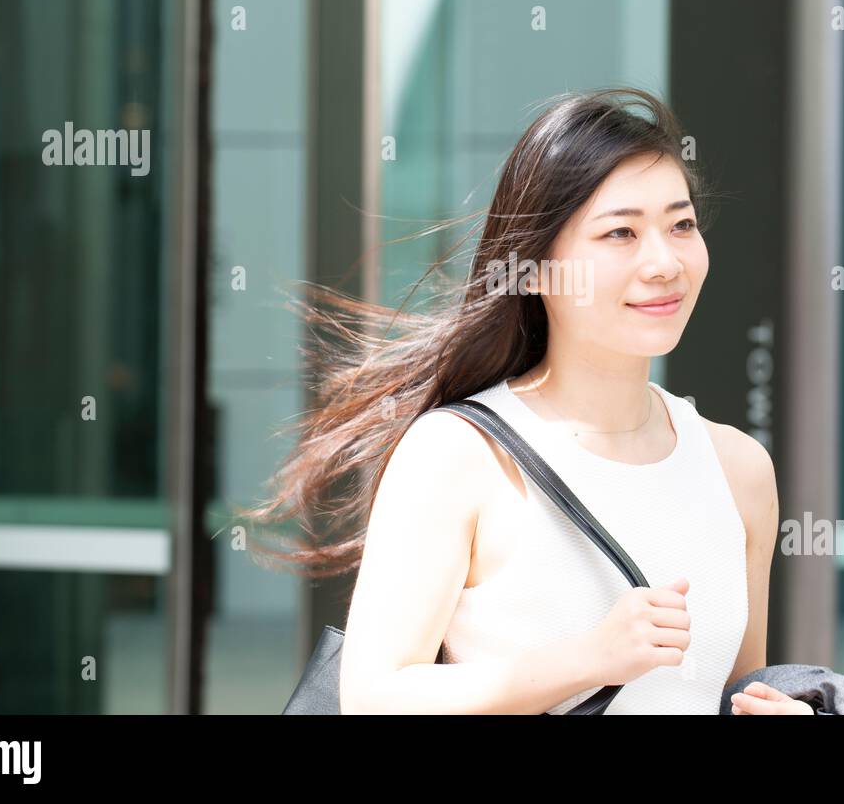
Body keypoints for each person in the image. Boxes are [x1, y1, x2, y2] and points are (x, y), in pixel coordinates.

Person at [246, 87, 808, 715]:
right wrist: (587, 660)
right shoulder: (459, 454)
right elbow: (374, 696)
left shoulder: (739, 470)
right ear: (536, 268)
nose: (663, 261)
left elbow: (737, 694)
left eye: (681, 225)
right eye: (620, 232)